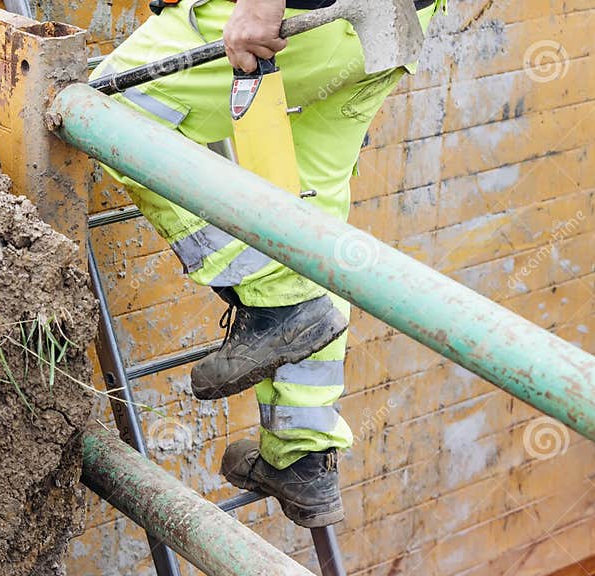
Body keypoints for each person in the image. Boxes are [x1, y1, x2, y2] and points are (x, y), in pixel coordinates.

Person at [92, 0, 444, 527]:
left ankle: (279, 301)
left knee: (108, 108)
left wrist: (259, 7)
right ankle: (302, 455)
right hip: (393, 26)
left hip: (304, 21)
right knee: (311, 213)